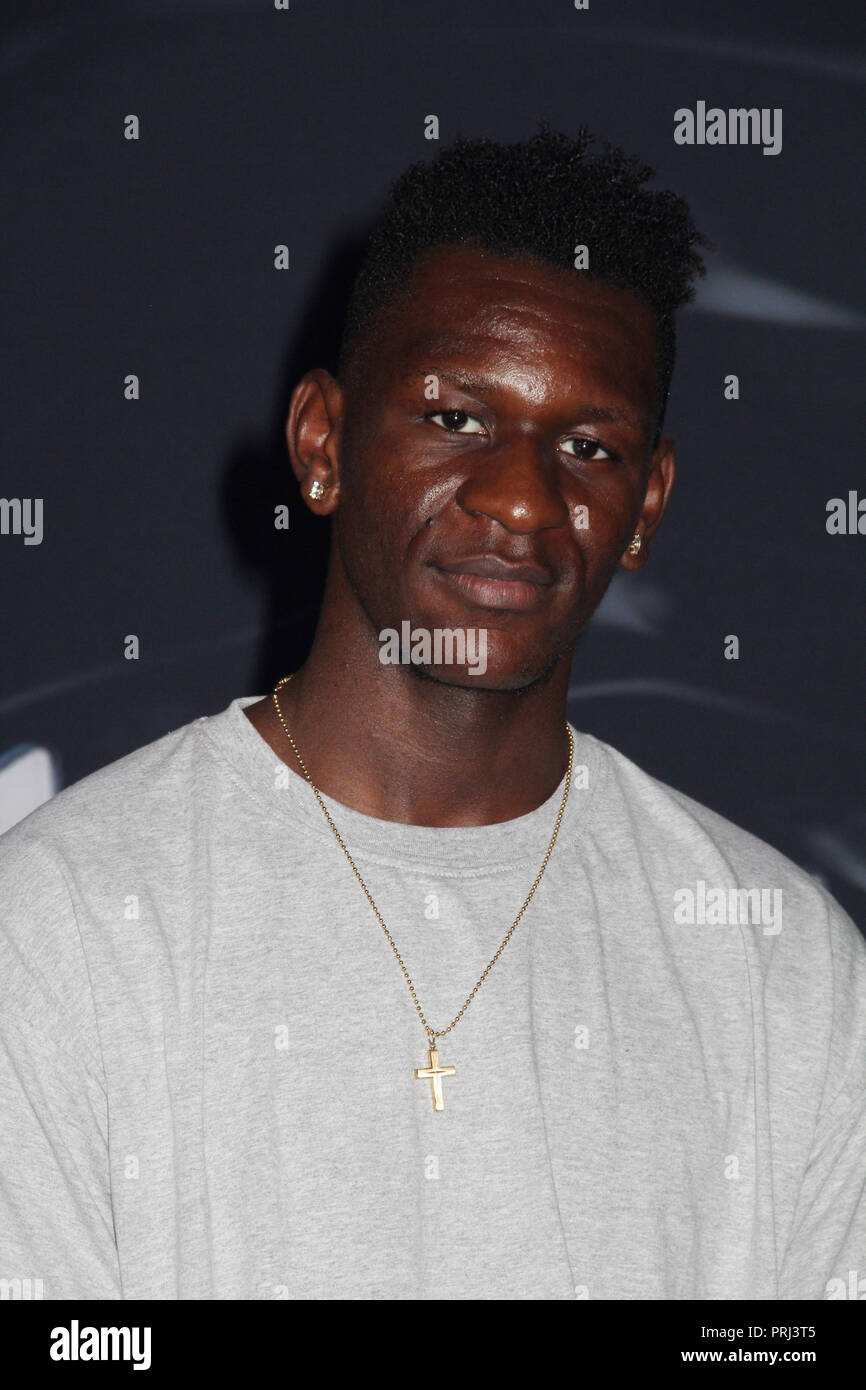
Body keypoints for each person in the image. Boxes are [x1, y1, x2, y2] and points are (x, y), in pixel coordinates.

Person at [1, 127, 863, 1302]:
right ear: (322, 443)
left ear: (646, 501)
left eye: (586, 444)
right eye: (455, 416)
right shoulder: (62, 922)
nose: (519, 496)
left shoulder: (783, 964)